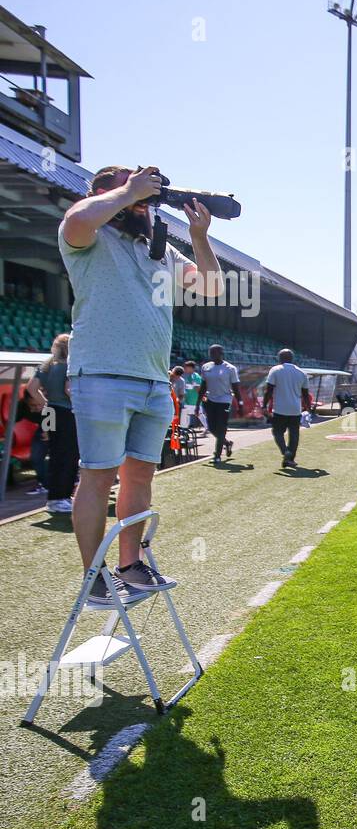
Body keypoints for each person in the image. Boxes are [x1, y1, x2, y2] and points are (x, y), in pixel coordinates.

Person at [58, 164, 223, 607]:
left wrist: (201, 236)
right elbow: (76, 220)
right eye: (133, 193)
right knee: (97, 477)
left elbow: (211, 286)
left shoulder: (159, 251)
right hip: (103, 375)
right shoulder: (89, 235)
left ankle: (130, 566)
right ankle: (93, 578)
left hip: (152, 380)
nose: (144, 203)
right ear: (104, 193)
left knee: (141, 477)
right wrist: (127, 191)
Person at [24, 333, 78, 512]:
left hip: (50, 411)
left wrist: (44, 402)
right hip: (66, 413)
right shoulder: (69, 364)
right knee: (69, 455)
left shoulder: (45, 365)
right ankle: (62, 496)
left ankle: (54, 497)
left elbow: (31, 388)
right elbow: (69, 390)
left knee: (54, 454)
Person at [263, 348, 312, 468]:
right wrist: (308, 408)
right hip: (295, 409)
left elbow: (269, 390)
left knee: (277, 432)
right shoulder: (302, 373)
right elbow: (305, 394)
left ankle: (285, 452)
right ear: (292, 358)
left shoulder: (275, 370)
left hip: (280, 409)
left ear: (280, 359)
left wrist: (264, 405)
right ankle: (290, 459)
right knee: (294, 434)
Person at [199, 343, 244, 463]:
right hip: (210, 400)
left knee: (221, 427)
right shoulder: (206, 367)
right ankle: (227, 443)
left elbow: (236, 387)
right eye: (211, 353)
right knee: (211, 427)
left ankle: (217, 454)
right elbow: (203, 386)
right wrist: (198, 403)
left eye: (215, 352)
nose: (212, 355)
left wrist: (240, 404)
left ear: (221, 353)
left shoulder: (230, 368)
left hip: (224, 401)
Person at [182, 359, 204, 430]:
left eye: (186, 367)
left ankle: (183, 429)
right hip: (188, 401)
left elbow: (198, 388)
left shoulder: (195, 376)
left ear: (191, 368)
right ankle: (184, 430)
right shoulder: (187, 376)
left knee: (199, 415)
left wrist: (201, 397)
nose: (184, 369)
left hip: (194, 401)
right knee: (186, 414)